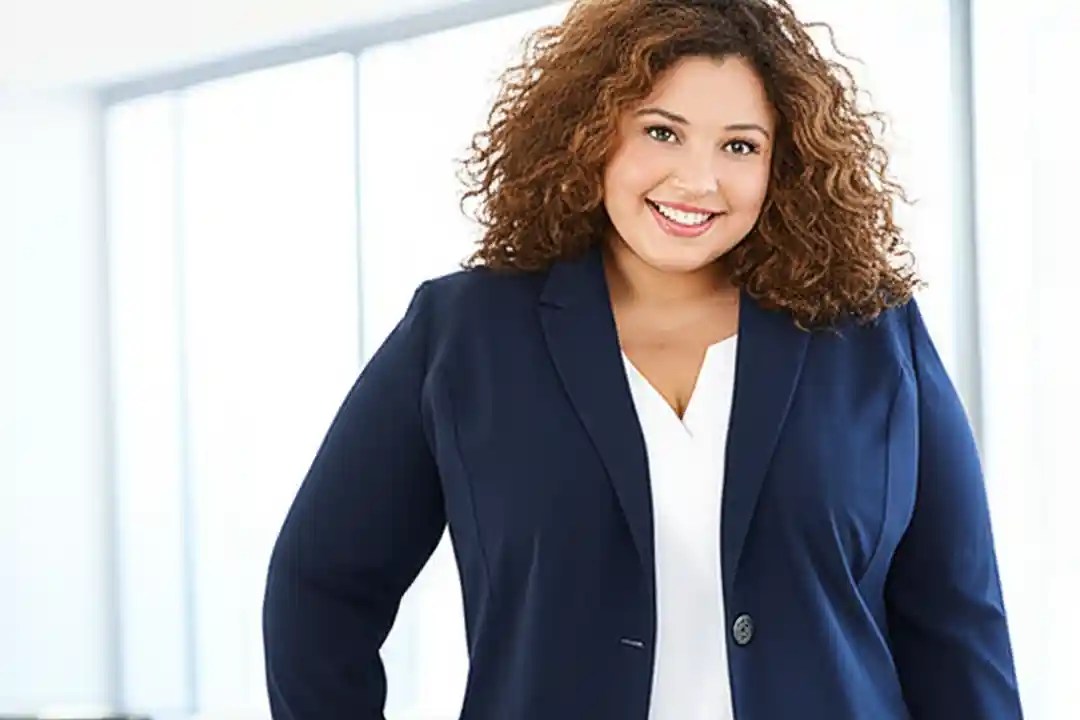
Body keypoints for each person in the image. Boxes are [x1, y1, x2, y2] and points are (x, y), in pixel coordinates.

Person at [261, 0, 1022, 718]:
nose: (697, 180)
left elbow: (957, 622)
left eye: (739, 145)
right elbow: (319, 589)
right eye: (662, 131)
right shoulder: (462, 335)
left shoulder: (872, 338)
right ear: (593, 129)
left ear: (781, 165)